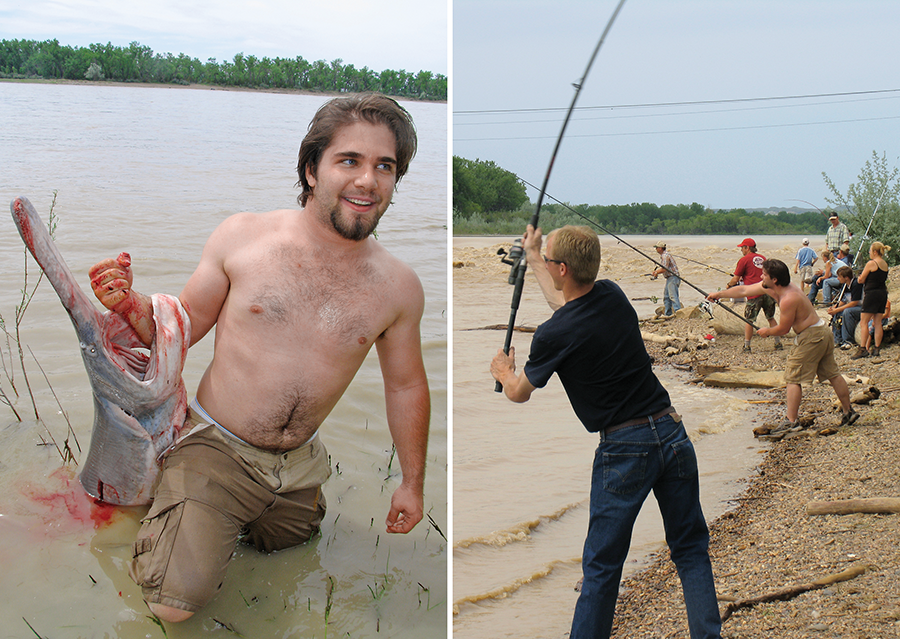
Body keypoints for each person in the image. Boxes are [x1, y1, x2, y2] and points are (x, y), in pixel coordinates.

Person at [88, 94, 431, 622]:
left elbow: (406, 386)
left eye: (384, 166)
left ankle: (202, 516)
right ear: (312, 170)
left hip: (300, 467)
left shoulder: (399, 287)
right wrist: (130, 306)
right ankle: (168, 504)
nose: (367, 180)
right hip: (214, 450)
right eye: (349, 161)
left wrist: (411, 482)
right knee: (172, 609)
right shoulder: (243, 237)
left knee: (290, 552)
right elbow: (182, 327)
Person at [491, 225, 722, 639]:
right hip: (671, 431)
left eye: (548, 262)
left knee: (601, 569)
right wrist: (533, 253)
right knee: (690, 551)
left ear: (562, 268)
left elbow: (519, 394)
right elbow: (564, 302)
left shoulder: (552, 335)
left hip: (625, 448)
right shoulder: (612, 294)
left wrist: (505, 372)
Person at [707, 259, 859, 433]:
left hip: (812, 337)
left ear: (775, 280)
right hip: (822, 332)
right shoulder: (773, 286)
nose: (761, 276)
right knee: (832, 374)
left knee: (793, 377)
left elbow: (784, 329)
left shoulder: (788, 298)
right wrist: (719, 294)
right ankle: (848, 412)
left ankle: (791, 421)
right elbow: (744, 289)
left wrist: (767, 331)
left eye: (764, 274)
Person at [725, 238, 781, 352]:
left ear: (747, 248)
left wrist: (728, 285)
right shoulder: (763, 258)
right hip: (768, 291)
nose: (741, 250)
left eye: (742, 247)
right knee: (770, 317)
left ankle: (747, 346)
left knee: (749, 320)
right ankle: (778, 342)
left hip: (754, 293)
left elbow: (735, 279)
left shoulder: (744, 260)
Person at [852, 241, 891, 358]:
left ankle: (863, 348)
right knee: (878, 322)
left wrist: (859, 277)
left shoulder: (871, 263)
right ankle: (877, 348)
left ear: (874, 252)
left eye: (870, 251)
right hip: (882, 293)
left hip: (871, 293)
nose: (869, 253)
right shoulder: (884, 264)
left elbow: (861, 279)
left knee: (864, 321)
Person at [826, 265, 863, 349]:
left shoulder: (856, 284)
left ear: (846, 277)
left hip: (863, 308)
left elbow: (854, 302)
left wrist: (837, 309)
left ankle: (848, 340)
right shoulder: (845, 285)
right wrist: (834, 308)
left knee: (847, 312)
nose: (838, 278)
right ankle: (838, 339)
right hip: (854, 307)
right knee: (838, 312)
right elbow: (844, 300)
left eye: (839, 276)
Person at [650, 240, 682, 316]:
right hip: (670, 278)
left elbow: (664, 268)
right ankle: (668, 314)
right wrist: (656, 272)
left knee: (673, 296)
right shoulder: (664, 255)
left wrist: (656, 272)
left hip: (673, 277)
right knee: (666, 297)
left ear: (660, 248)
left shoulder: (665, 256)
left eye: (657, 247)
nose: (656, 249)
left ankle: (679, 313)